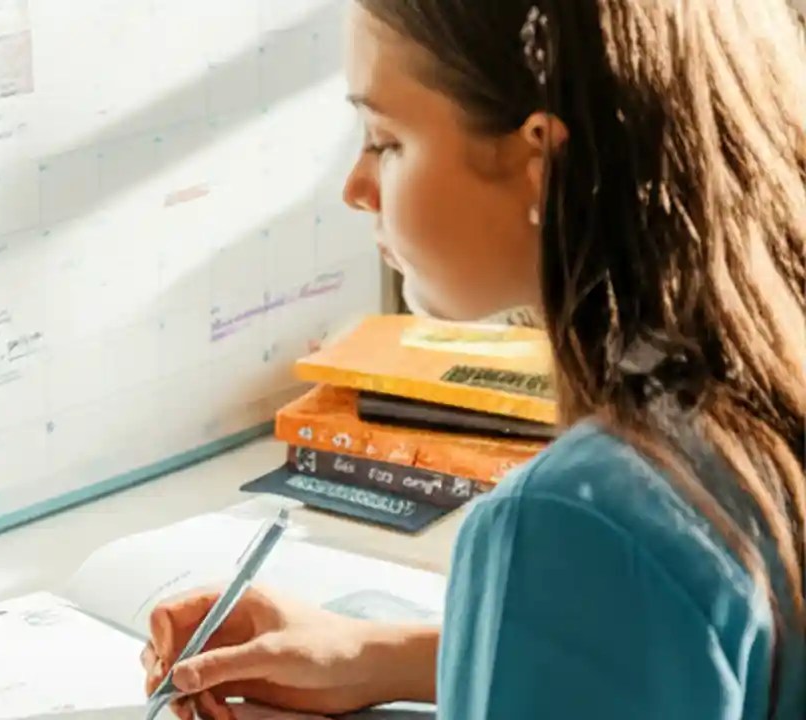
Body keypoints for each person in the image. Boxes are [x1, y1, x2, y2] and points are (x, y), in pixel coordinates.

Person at [140, 1, 806, 718]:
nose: (355, 188)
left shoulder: (581, 523)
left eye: (385, 140)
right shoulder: (756, 396)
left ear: (537, 159)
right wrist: (384, 654)